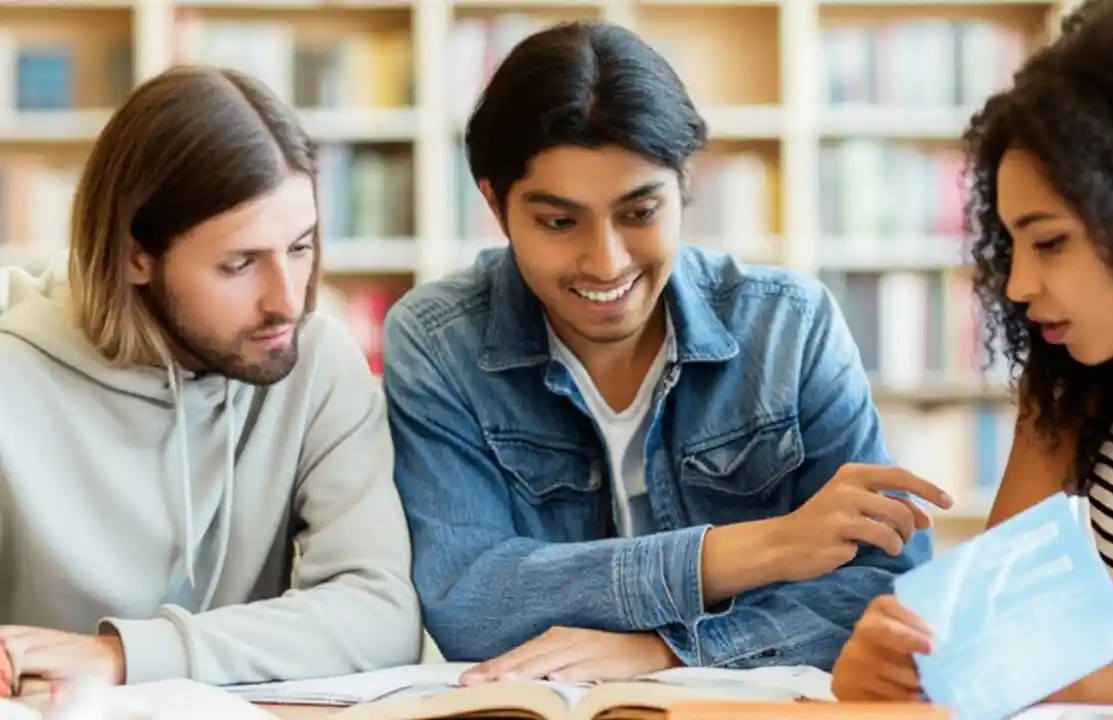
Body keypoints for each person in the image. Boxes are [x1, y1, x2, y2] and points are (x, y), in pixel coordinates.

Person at [383, 20, 953, 682]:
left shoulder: (790, 326)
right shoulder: (437, 340)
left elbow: (886, 591)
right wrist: (761, 548)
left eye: (639, 213)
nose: (606, 261)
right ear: (495, 203)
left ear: (685, 186)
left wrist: (667, 652)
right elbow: (468, 599)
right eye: (559, 222)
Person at [832, 0, 1113, 713]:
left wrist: (1090, 680)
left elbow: (1049, 675)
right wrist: (895, 666)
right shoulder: (1077, 384)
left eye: (1050, 242)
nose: (1017, 285)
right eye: (1012, 245)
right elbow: (984, 631)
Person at [0, 66, 422, 695]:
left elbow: (381, 613)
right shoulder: (14, 371)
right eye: (240, 264)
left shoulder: (318, 363)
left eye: (301, 247)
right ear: (134, 255)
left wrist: (121, 655)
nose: (288, 300)